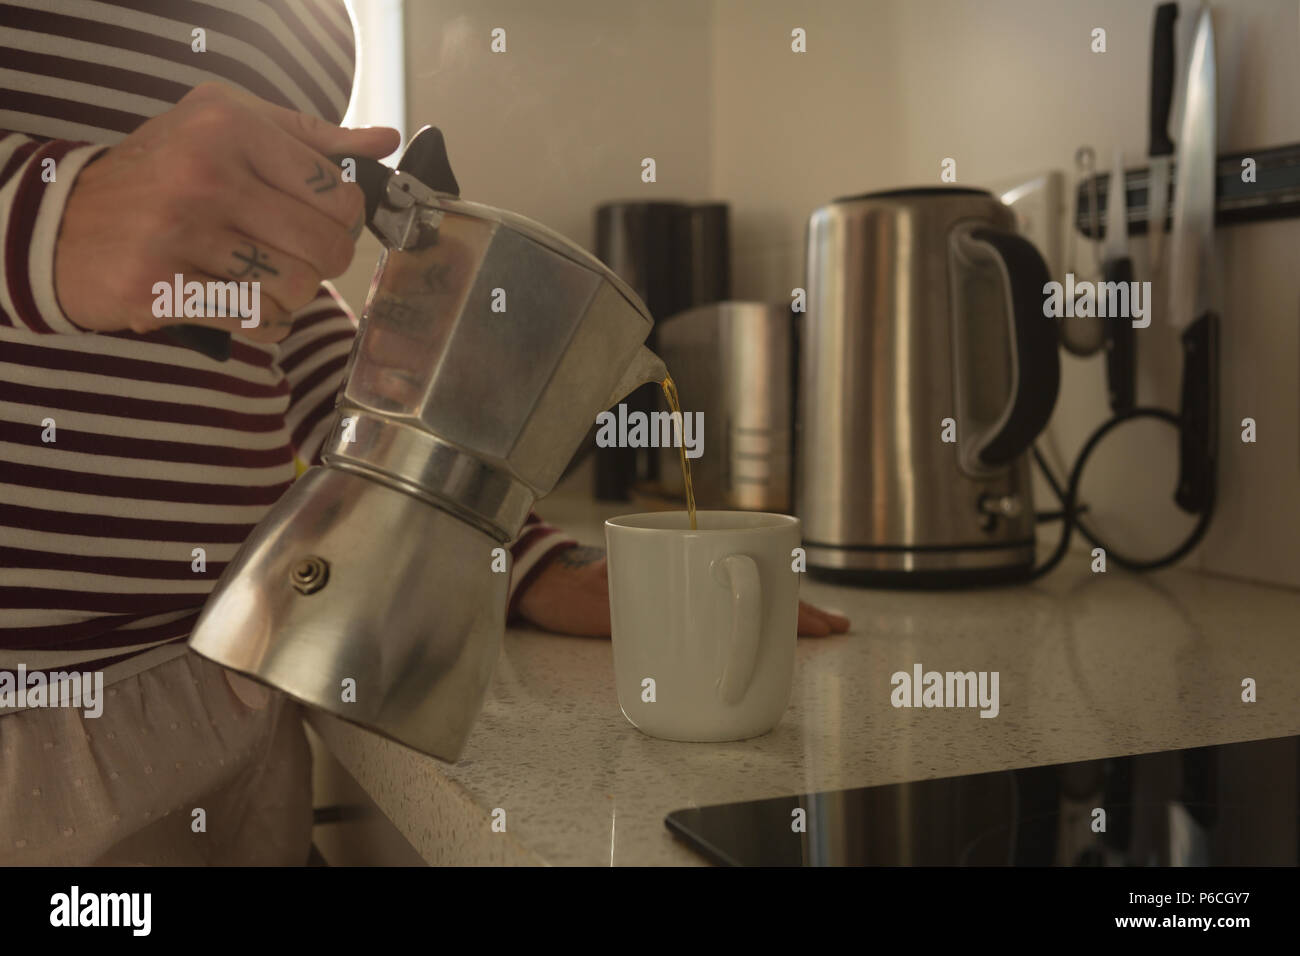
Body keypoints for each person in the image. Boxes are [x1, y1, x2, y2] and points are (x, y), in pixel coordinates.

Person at [0, 0, 849, 866]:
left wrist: (514, 553)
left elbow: (280, 312)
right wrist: (45, 219)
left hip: (235, 677)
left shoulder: (314, 19)